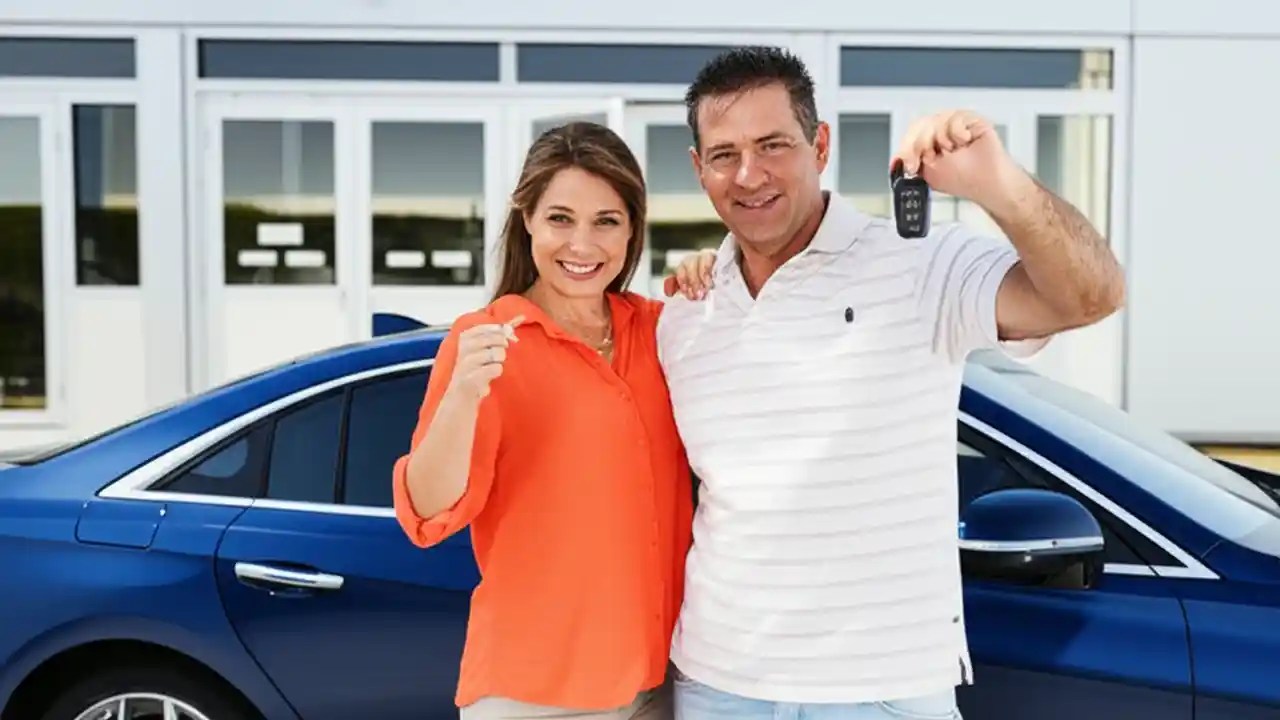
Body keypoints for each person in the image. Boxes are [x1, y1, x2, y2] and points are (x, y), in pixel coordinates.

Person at [656, 46, 1126, 720]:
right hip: (718, 684)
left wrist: (1000, 185)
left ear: (820, 145)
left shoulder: (920, 264)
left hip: (884, 691)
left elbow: (1092, 294)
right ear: (699, 170)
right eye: (724, 154)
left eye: (773, 144)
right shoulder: (683, 314)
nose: (749, 173)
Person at [391, 121, 700, 720]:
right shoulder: (487, 339)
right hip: (535, 693)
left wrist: (718, 268)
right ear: (526, 217)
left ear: (632, 227)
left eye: (605, 221)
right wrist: (461, 399)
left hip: (656, 684)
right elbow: (427, 513)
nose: (581, 245)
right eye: (560, 218)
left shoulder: (661, 330)